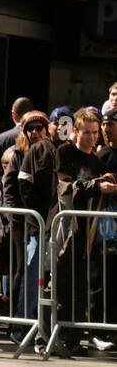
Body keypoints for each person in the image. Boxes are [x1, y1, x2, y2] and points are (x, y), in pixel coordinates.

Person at [53, 107, 117, 353]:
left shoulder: (97, 160)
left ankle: (76, 336)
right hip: (65, 226)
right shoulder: (64, 152)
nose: (91, 137)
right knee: (62, 282)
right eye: (86, 132)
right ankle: (57, 334)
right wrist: (95, 186)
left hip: (88, 233)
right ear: (75, 132)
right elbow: (65, 186)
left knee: (81, 285)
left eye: (94, 133)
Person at [4, 110, 54, 344]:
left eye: (39, 128)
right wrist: (16, 221)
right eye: (30, 128)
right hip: (25, 224)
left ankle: (39, 324)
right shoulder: (17, 154)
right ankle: (19, 324)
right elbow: (12, 192)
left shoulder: (49, 152)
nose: (35, 132)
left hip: (46, 223)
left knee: (40, 276)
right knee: (25, 273)